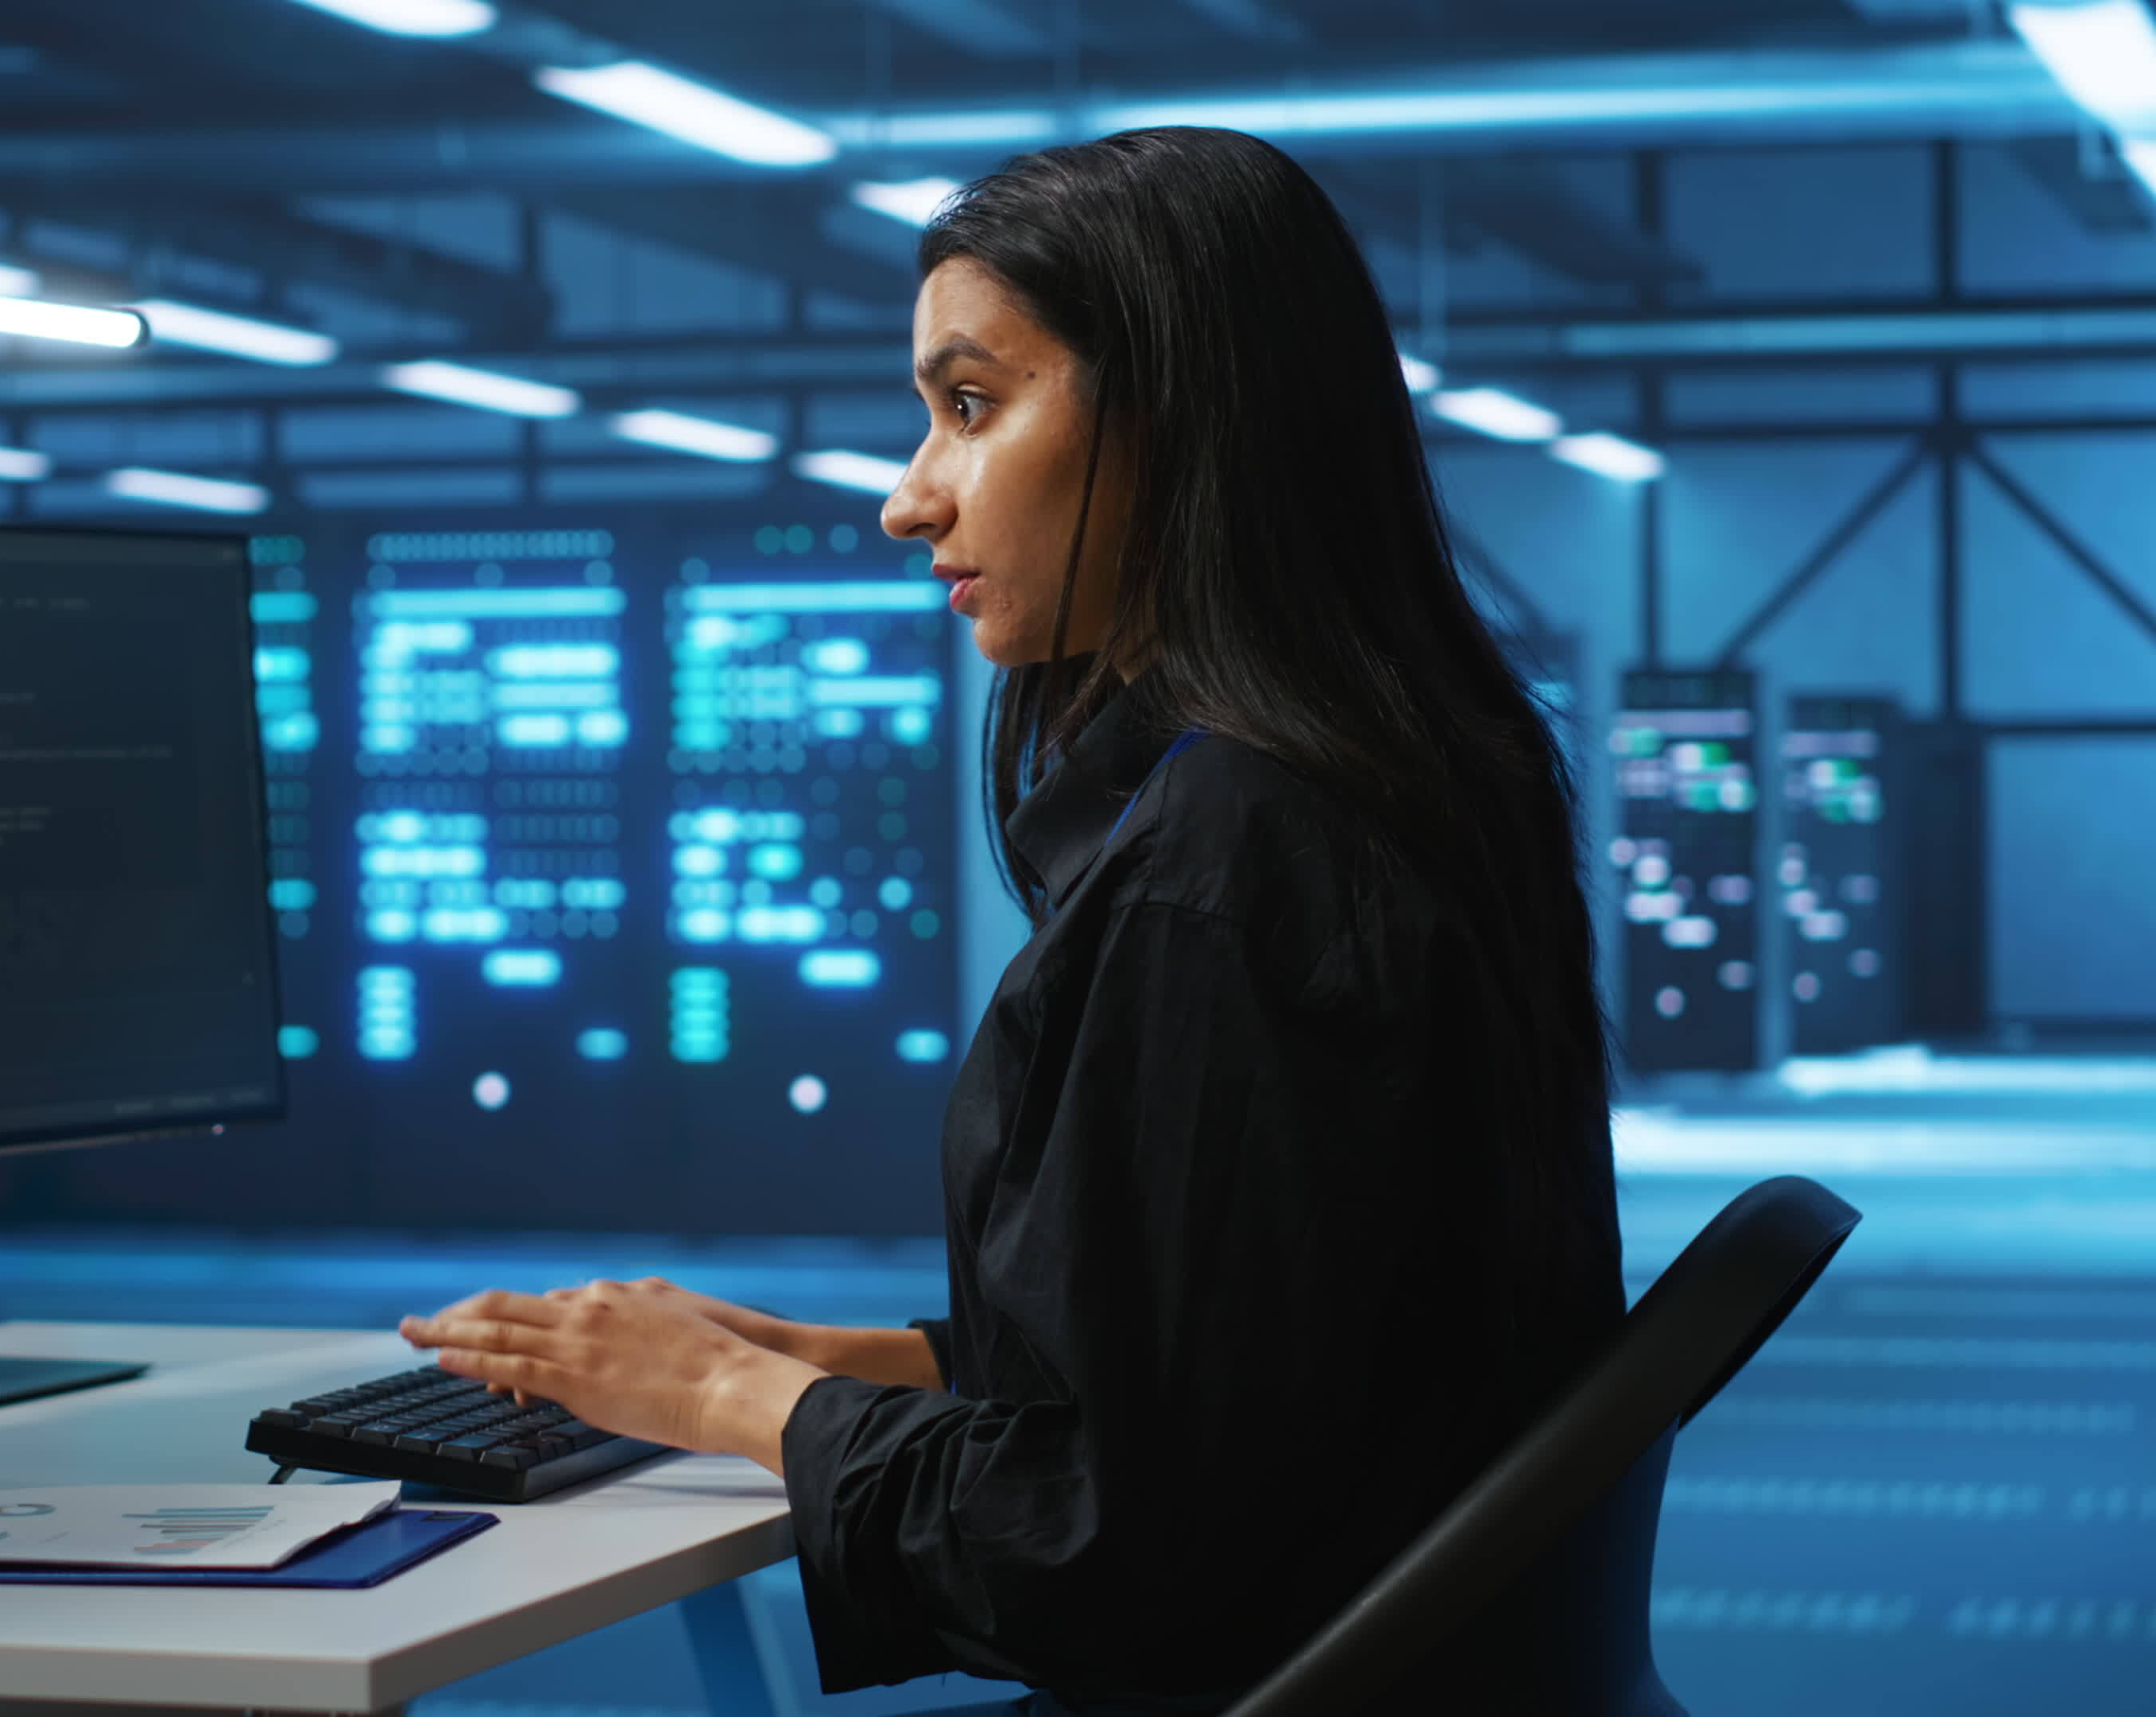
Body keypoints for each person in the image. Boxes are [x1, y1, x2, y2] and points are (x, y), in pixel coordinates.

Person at [398, 126, 1627, 1713]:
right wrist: (836, 1362)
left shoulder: (1229, 861)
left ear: (1182, 417)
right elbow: (1270, 1364)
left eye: (970, 405)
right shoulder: (1417, 783)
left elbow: (1097, 1551)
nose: (911, 501)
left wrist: (721, 1394)